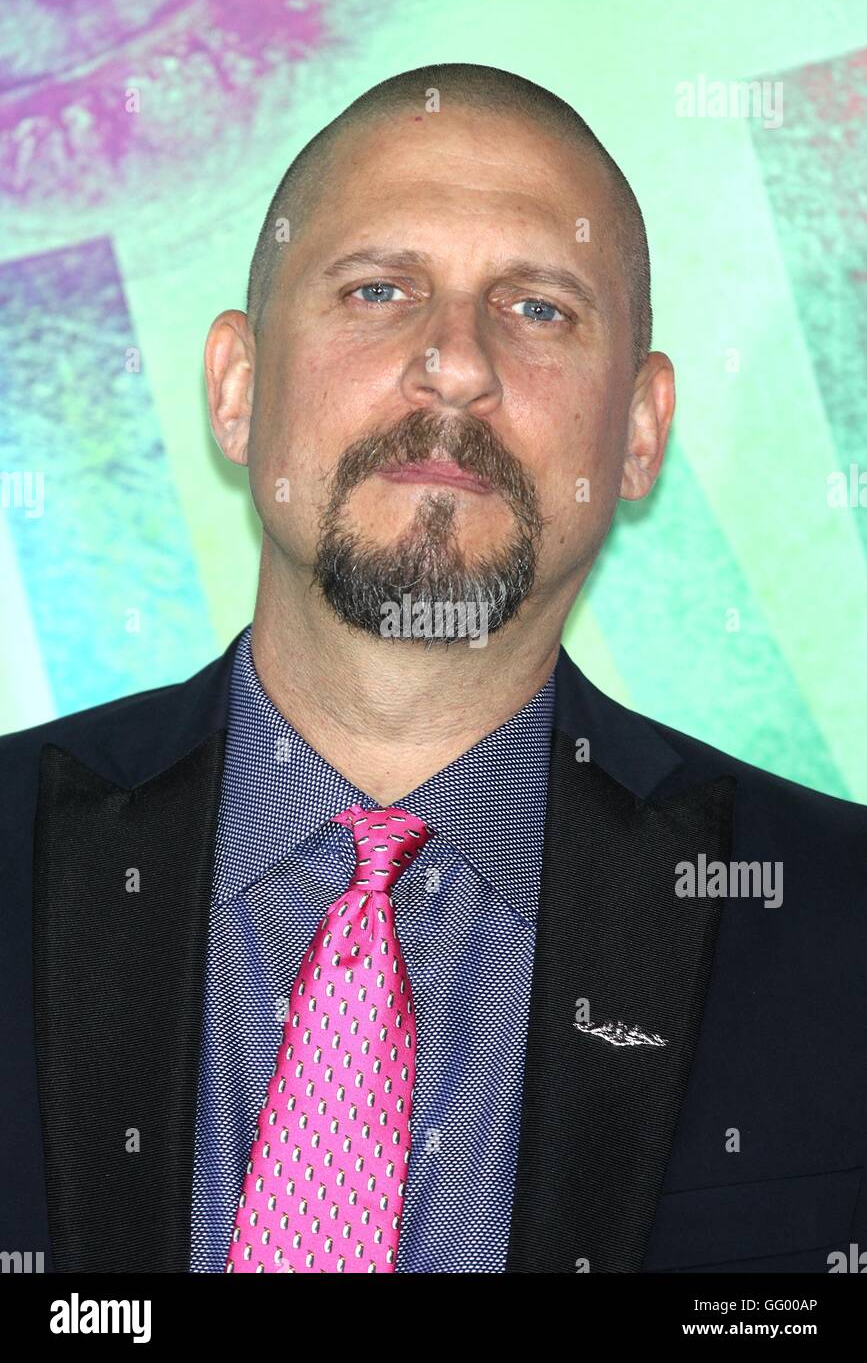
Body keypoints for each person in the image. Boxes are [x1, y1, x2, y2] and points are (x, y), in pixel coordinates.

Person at [2, 63, 865, 1276]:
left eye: (540, 309)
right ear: (238, 389)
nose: (455, 363)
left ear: (640, 430)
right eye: (377, 288)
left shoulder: (840, 927)